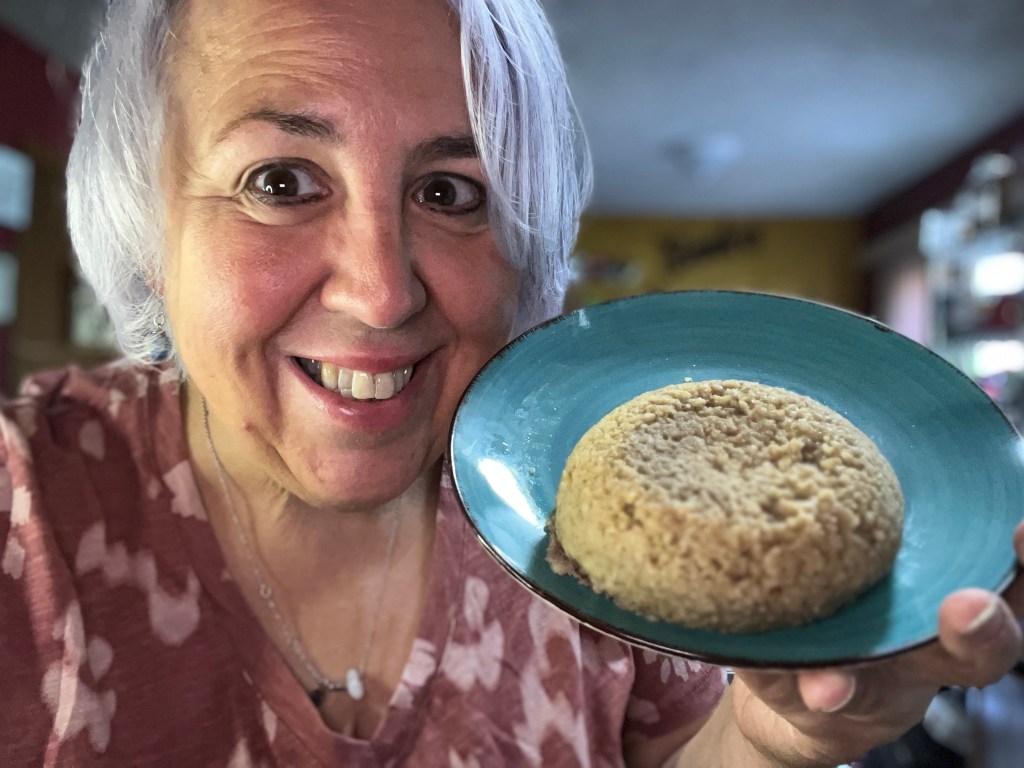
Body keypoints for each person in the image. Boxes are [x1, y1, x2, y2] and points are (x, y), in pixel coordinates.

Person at [0, 0, 1020, 765]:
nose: (381, 291)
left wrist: (774, 743)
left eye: (451, 191)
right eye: (280, 181)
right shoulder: (26, 513)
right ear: (148, 223)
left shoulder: (577, 509)